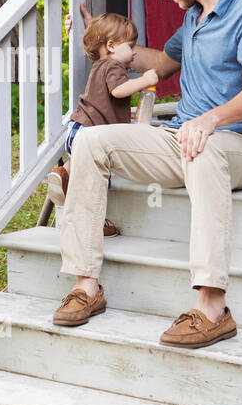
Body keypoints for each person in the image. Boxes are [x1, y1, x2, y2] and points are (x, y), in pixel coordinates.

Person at [51, 0, 242, 350]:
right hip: (181, 138)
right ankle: (87, 285)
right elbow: (158, 60)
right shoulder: (192, 19)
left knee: (204, 147)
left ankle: (212, 307)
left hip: (237, 144)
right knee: (89, 141)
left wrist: (210, 120)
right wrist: (101, 39)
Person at [46, 12, 159, 237]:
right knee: (97, 180)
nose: (135, 51)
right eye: (131, 45)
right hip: (93, 132)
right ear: (111, 45)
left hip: (78, 127)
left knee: (80, 164)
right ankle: (95, 221)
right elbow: (118, 90)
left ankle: (63, 173)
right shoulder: (114, 67)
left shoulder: (99, 65)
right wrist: (145, 80)